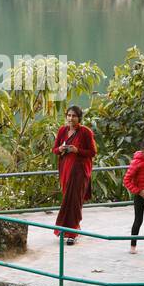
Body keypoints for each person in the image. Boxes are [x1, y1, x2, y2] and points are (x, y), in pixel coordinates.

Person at [52, 105, 96, 244]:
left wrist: (77, 150)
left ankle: (72, 234)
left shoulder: (85, 132)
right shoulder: (62, 131)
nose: (71, 118)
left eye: (74, 116)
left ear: (79, 118)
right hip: (66, 170)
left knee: (75, 202)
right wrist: (60, 149)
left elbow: (92, 152)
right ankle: (71, 228)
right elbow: (54, 150)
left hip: (80, 172)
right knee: (67, 200)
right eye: (69, 115)